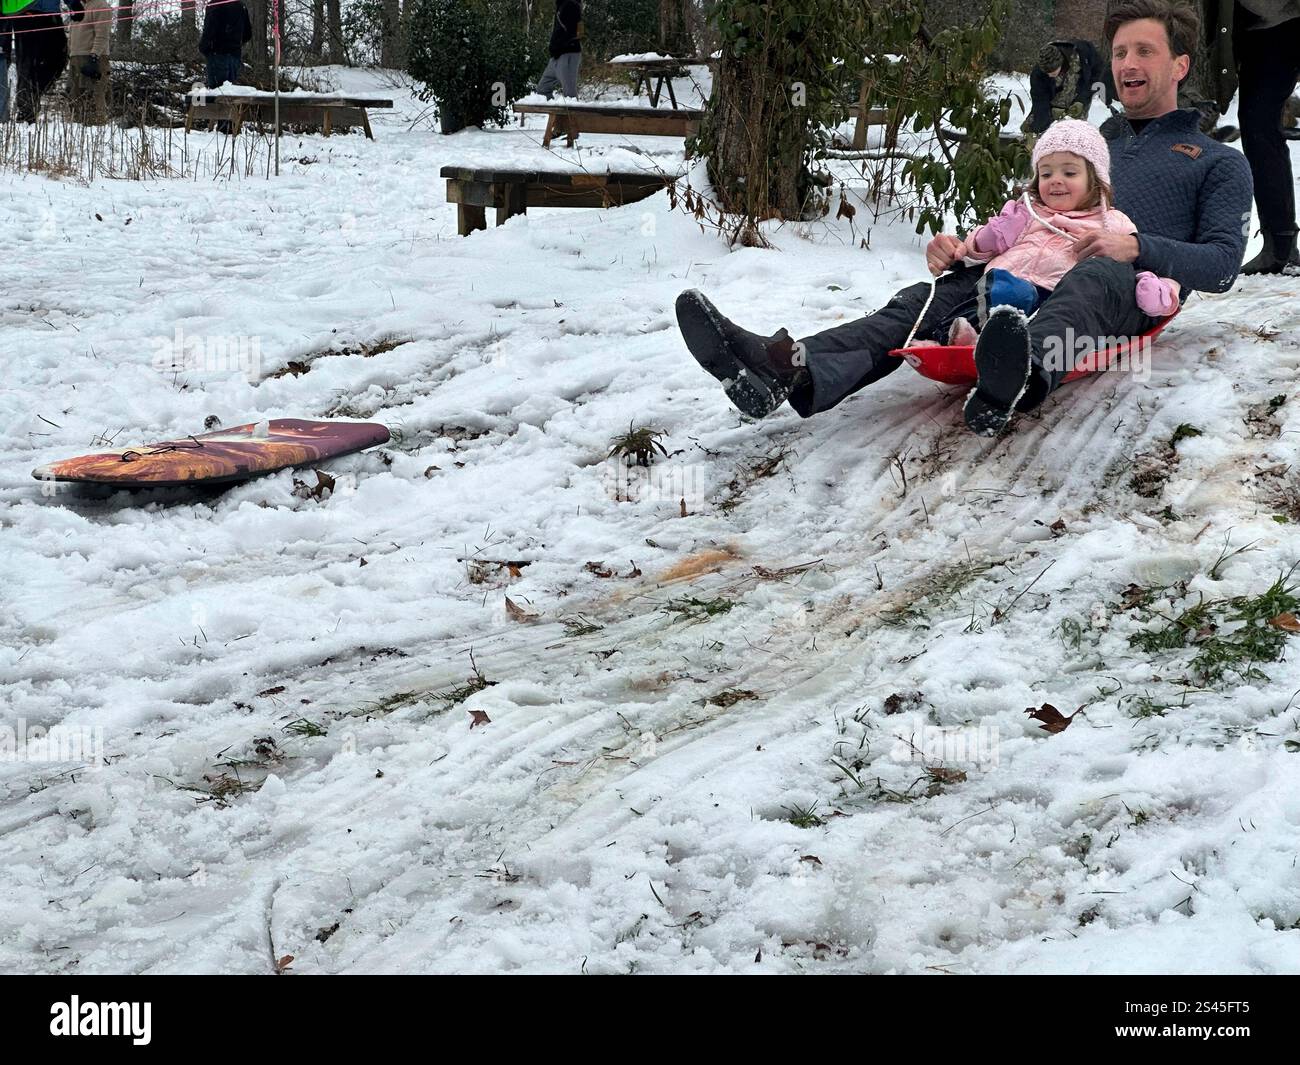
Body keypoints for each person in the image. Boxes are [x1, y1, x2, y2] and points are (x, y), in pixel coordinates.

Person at [674, 0, 1252, 437]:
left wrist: (1137, 249)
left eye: (1144, 51)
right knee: (931, 296)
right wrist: (970, 247)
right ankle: (787, 368)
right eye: (1121, 52)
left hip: (1123, 288)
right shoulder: (1091, 145)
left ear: (1180, 65)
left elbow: (1224, 265)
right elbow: (1033, 217)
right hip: (1030, 281)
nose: (1127, 63)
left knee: (1094, 275)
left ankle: (1020, 370)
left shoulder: (1218, 163)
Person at [912, 119, 1179, 353]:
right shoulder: (1025, 213)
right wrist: (993, 235)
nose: (1055, 180)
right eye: (1046, 172)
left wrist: (1155, 288)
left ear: (1095, 180)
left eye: (1070, 172)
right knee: (1010, 289)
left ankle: (1014, 350)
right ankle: (947, 339)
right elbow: (974, 251)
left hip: (1059, 301)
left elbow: (1135, 259)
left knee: (1046, 314)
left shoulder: (1113, 222)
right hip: (1006, 287)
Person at [1202, 1, 1300, 273]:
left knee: (1260, 128)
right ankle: (1280, 244)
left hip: (1287, 22)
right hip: (1256, 32)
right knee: (1258, 129)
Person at [12, 0, 80, 122]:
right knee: (27, 64)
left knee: (59, 59)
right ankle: (25, 110)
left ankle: (34, 93)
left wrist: (73, 4)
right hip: (25, 14)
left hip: (50, 16)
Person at [1024, 39, 1107, 138]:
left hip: (1078, 103)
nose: (1050, 75)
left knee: (1074, 136)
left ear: (1061, 63)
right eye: (1047, 73)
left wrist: (1082, 99)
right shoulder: (1038, 75)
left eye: (1053, 72)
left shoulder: (1083, 53)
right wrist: (1038, 128)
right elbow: (1039, 101)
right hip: (1052, 106)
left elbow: (1098, 75)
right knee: (1035, 130)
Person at [66, 0, 110, 124]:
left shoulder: (101, 5)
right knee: (74, 98)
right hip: (76, 58)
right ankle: (77, 131)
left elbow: (102, 35)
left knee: (94, 98)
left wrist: (94, 56)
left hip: (92, 58)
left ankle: (97, 130)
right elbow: (72, 34)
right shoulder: (78, 6)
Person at [199, 0, 252, 91]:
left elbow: (209, 30)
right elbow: (247, 34)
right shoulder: (240, 5)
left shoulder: (215, 4)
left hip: (217, 54)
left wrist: (204, 48)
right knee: (230, 93)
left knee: (217, 93)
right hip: (234, 56)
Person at [535, 0, 582, 100]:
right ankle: (557, 113)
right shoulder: (561, 5)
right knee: (542, 89)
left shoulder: (571, 4)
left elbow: (577, 31)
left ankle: (572, 115)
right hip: (556, 55)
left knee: (570, 96)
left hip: (568, 54)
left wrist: (564, 44)